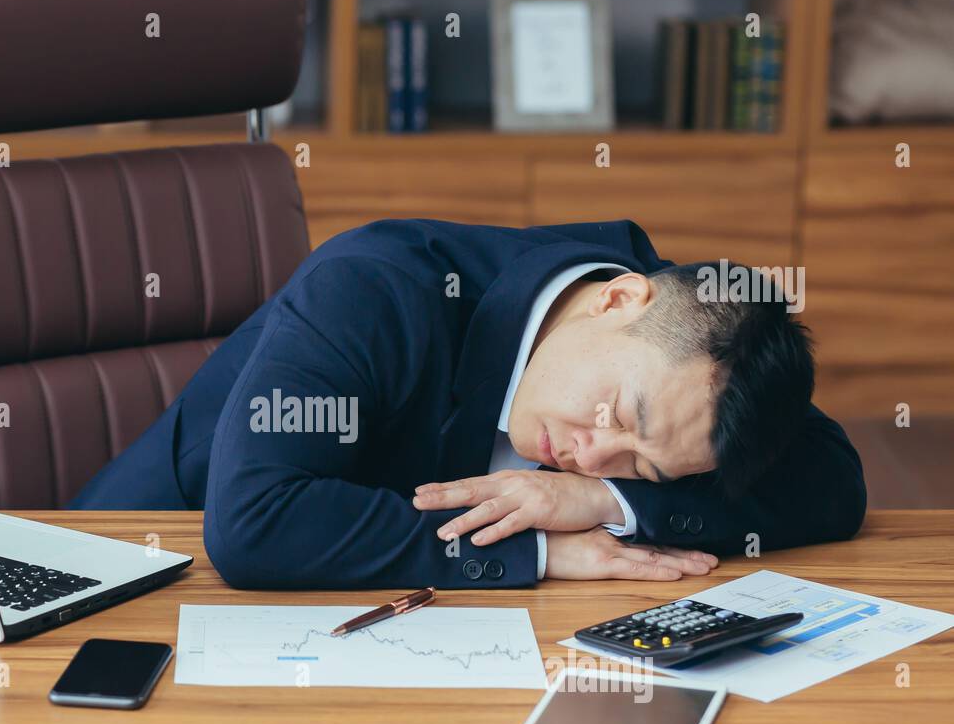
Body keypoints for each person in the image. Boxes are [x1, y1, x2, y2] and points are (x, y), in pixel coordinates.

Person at [71, 219, 865, 589]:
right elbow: (253, 526)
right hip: (141, 576)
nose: (595, 449)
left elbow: (834, 482)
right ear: (618, 299)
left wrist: (600, 497)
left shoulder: (692, 344)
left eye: (641, 465)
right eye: (616, 416)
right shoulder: (374, 288)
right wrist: (543, 552)